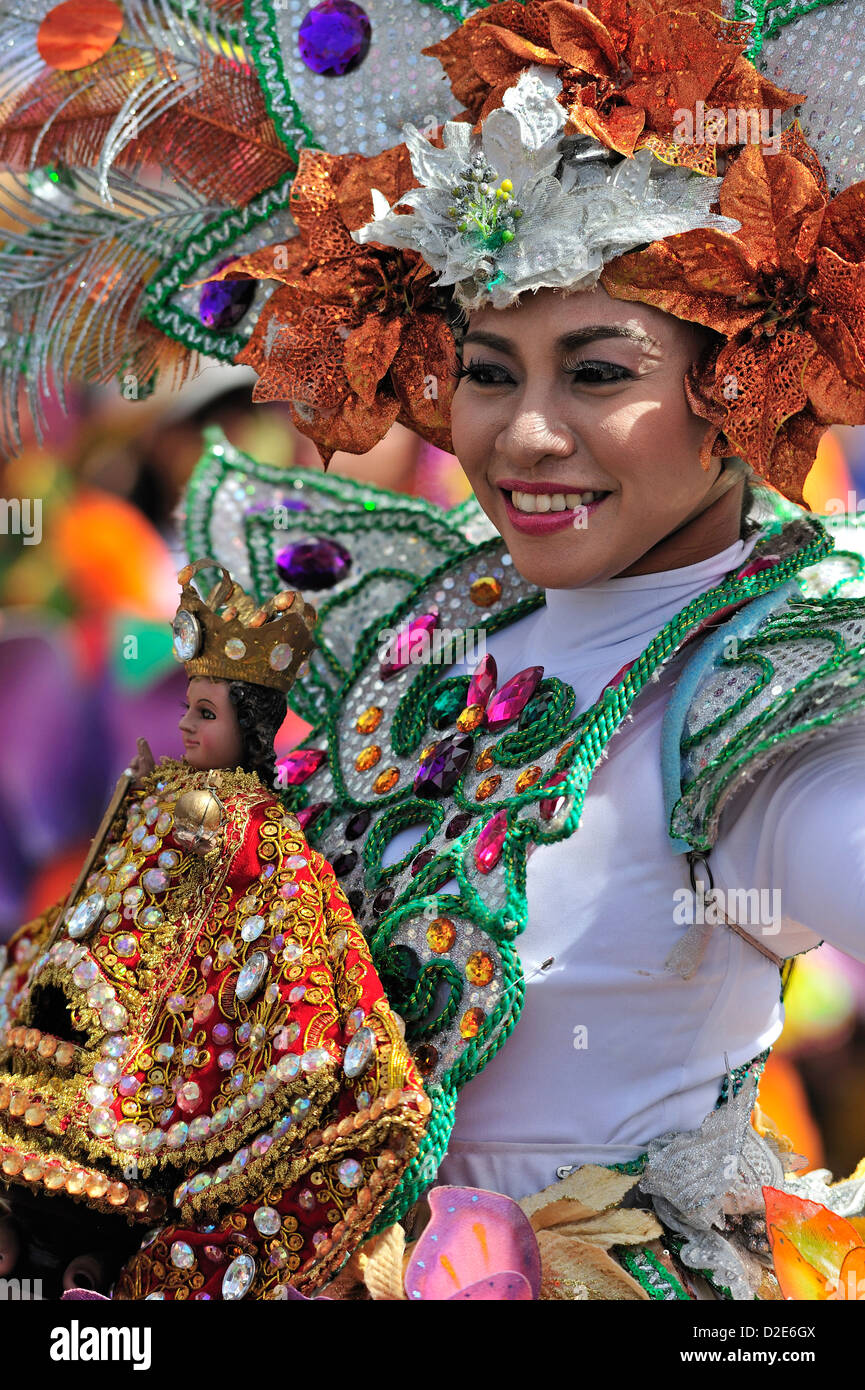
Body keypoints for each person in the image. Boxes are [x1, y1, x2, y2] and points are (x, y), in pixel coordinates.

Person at [177, 18, 865, 1299]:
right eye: (490, 374)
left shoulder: (770, 672)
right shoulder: (430, 603)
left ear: (749, 378)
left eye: (598, 373)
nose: (527, 434)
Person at [0, 561, 429, 1300]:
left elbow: (276, 930)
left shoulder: (257, 830)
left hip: (180, 1060)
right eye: (187, 708)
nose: (185, 726)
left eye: (206, 714)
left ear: (250, 728)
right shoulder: (169, 793)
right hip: (87, 1034)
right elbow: (101, 902)